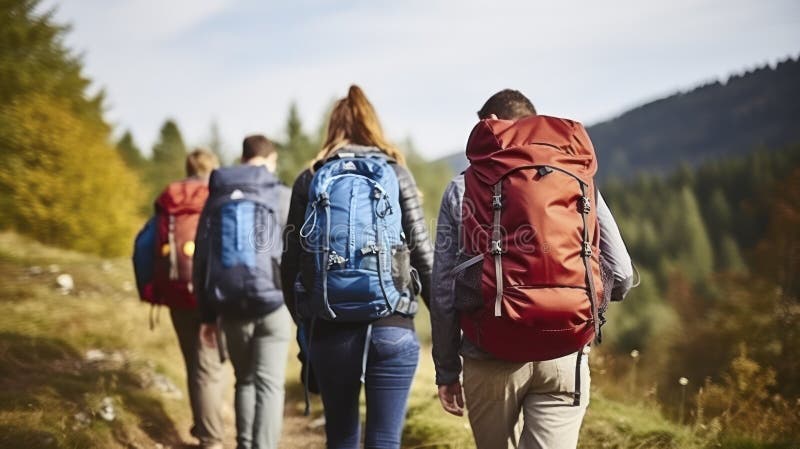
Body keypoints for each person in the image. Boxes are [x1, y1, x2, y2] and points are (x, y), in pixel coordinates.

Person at [430, 89, 634, 449]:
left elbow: (445, 290)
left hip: (490, 352)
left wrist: (447, 371)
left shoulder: (463, 185)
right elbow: (620, 273)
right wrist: (573, 304)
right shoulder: (577, 179)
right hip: (565, 353)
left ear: (487, 126)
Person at [281, 85, 434, 449]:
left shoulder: (311, 177)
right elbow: (425, 258)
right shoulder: (395, 173)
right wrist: (446, 341)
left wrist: (306, 328)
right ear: (373, 125)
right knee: (384, 440)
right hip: (392, 325)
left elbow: (288, 265)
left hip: (330, 329)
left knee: (342, 437)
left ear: (331, 129)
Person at [194, 135, 291, 449]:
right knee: (270, 384)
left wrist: (207, 316)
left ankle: (245, 444)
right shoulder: (279, 194)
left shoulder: (218, 195)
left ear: (243, 157)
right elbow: (298, 252)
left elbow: (203, 256)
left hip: (230, 303)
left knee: (245, 380)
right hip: (274, 302)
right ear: (270, 159)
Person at [134, 148, 226, 449]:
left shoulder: (170, 199)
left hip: (175, 290)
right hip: (212, 290)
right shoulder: (219, 192)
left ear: (188, 168)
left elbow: (144, 244)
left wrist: (150, 288)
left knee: (194, 362)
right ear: (214, 167)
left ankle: (203, 423)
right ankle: (211, 438)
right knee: (209, 365)